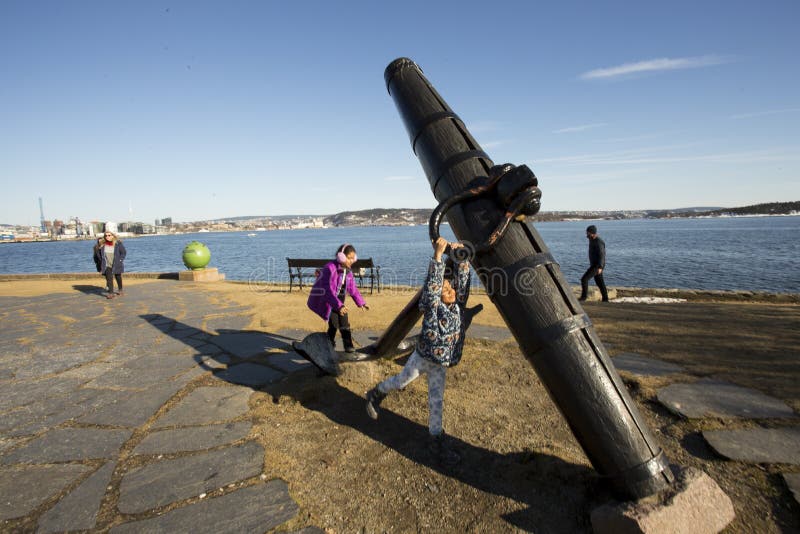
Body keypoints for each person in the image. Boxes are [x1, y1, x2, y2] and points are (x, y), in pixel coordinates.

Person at [365, 237, 471, 466]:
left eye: (450, 287)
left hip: (441, 364)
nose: (450, 290)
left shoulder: (458, 307)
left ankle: (435, 439)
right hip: (423, 358)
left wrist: (462, 258)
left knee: (436, 401)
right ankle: (376, 393)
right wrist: (438, 256)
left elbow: (462, 284)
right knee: (402, 381)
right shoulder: (432, 307)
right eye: (445, 289)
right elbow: (432, 288)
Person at [307, 244, 369, 353]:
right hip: (328, 301)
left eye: (353, 258)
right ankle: (329, 344)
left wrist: (361, 303)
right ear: (341, 256)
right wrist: (338, 305)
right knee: (334, 325)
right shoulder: (329, 268)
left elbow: (352, 288)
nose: (351, 261)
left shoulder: (348, 270)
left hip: (340, 302)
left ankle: (348, 346)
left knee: (344, 323)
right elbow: (327, 291)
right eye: (349, 258)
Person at [93, 231, 127, 299]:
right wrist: (100, 262)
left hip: (116, 263)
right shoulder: (102, 245)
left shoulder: (118, 243)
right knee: (109, 278)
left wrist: (120, 260)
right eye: (106, 235)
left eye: (109, 235)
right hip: (107, 264)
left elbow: (123, 252)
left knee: (118, 277)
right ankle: (111, 293)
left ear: (113, 236)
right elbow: (97, 254)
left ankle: (120, 289)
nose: (107, 237)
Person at [579, 225, 609, 302]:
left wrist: (600, 267)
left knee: (584, 279)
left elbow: (602, 255)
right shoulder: (592, 239)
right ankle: (605, 299)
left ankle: (583, 297)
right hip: (594, 264)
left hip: (597, 265)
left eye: (588, 233)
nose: (586, 234)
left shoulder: (599, 242)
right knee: (600, 283)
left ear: (592, 233)